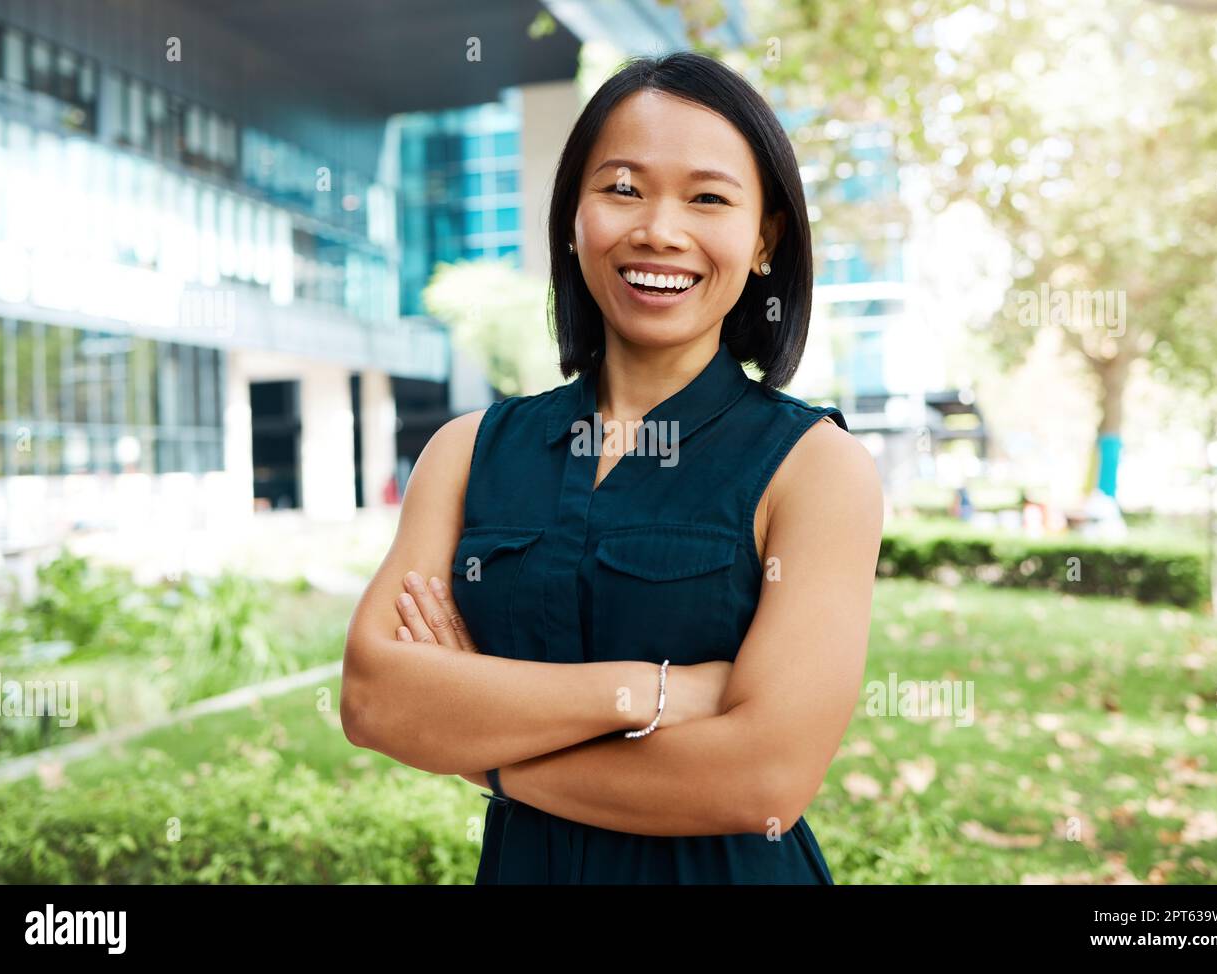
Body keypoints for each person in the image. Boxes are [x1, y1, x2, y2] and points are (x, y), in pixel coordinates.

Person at [341, 51, 884, 884]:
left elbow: (764, 777)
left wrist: (479, 750)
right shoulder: (465, 453)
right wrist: (653, 691)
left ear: (765, 238)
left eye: (708, 198)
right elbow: (376, 701)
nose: (659, 230)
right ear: (572, 217)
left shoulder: (816, 468)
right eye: (623, 188)